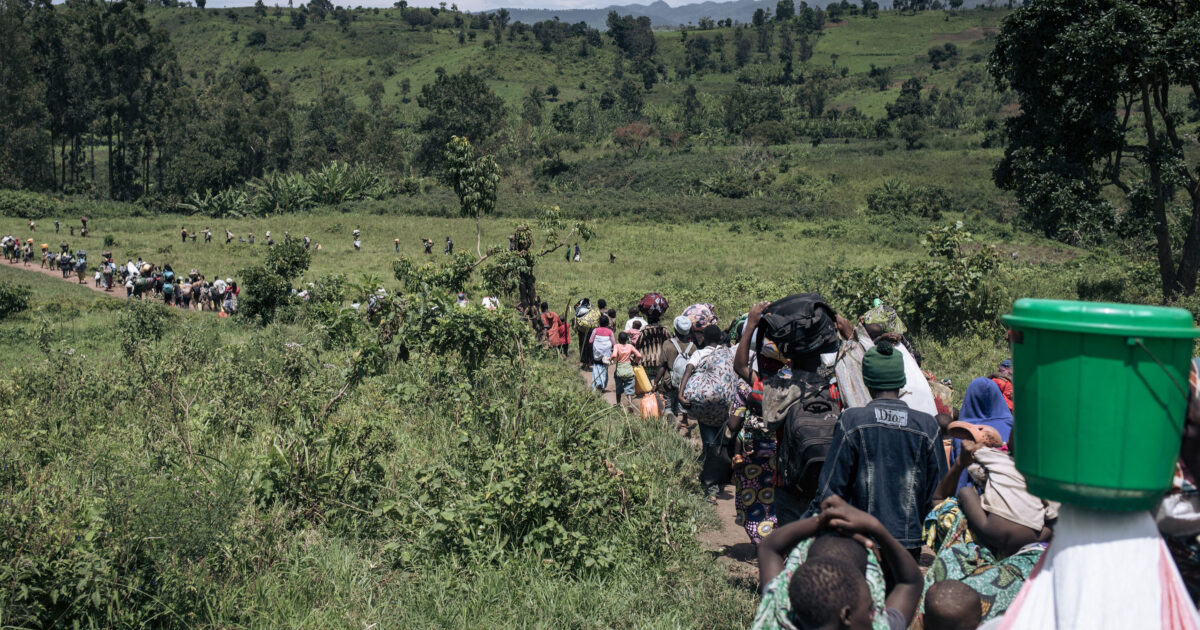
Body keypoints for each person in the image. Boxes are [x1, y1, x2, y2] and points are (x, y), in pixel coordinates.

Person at [807, 341, 947, 558]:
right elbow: (938, 492)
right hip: (907, 543)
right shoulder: (928, 425)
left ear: (867, 382)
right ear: (901, 381)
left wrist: (807, 526)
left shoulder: (852, 421)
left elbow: (830, 488)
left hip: (859, 538)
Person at [753, 495, 924, 630]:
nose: (874, 612)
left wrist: (820, 521)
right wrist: (875, 527)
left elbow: (768, 548)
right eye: (870, 607)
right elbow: (911, 582)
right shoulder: (877, 626)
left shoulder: (776, 618)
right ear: (847, 615)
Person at [679, 324, 738, 503]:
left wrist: (681, 394)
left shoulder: (700, 353)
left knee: (708, 443)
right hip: (725, 407)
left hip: (705, 407)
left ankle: (710, 487)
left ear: (703, 337)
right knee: (722, 442)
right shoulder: (729, 352)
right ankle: (721, 481)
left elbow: (688, 370)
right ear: (720, 338)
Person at [948, 378, 1014, 491]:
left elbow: (960, 480)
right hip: (1010, 493)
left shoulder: (961, 432)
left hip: (973, 500)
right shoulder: (1012, 427)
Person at [656, 315, 695, 435]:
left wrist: (656, 381)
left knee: (668, 406)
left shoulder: (668, 344)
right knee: (680, 406)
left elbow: (663, 365)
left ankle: (671, 425)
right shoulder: (693, 347)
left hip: (669, 381)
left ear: (675, 329)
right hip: (685, 383)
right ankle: (681, 424)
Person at [611, 332, 643, 412]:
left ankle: (618, 404)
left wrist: (610, 359)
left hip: (620, 371)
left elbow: (614, 355)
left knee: (618, 388)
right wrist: (635, 362)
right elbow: (639, 355)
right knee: (629, 389)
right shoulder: (630, 346)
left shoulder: (616, 346)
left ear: (618, 339)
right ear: (627, 340)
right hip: (629, 370)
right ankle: (630, 404)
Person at [589, 315, 615, 393]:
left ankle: (598, 382)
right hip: (606, 353)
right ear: (607, 323)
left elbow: (590, 341)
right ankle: (602, 385)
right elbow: (613, 343)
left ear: (599, 323)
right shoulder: (610, 332)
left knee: (596, 366)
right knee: (604, 368)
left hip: (597, 352)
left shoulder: (595, 330)